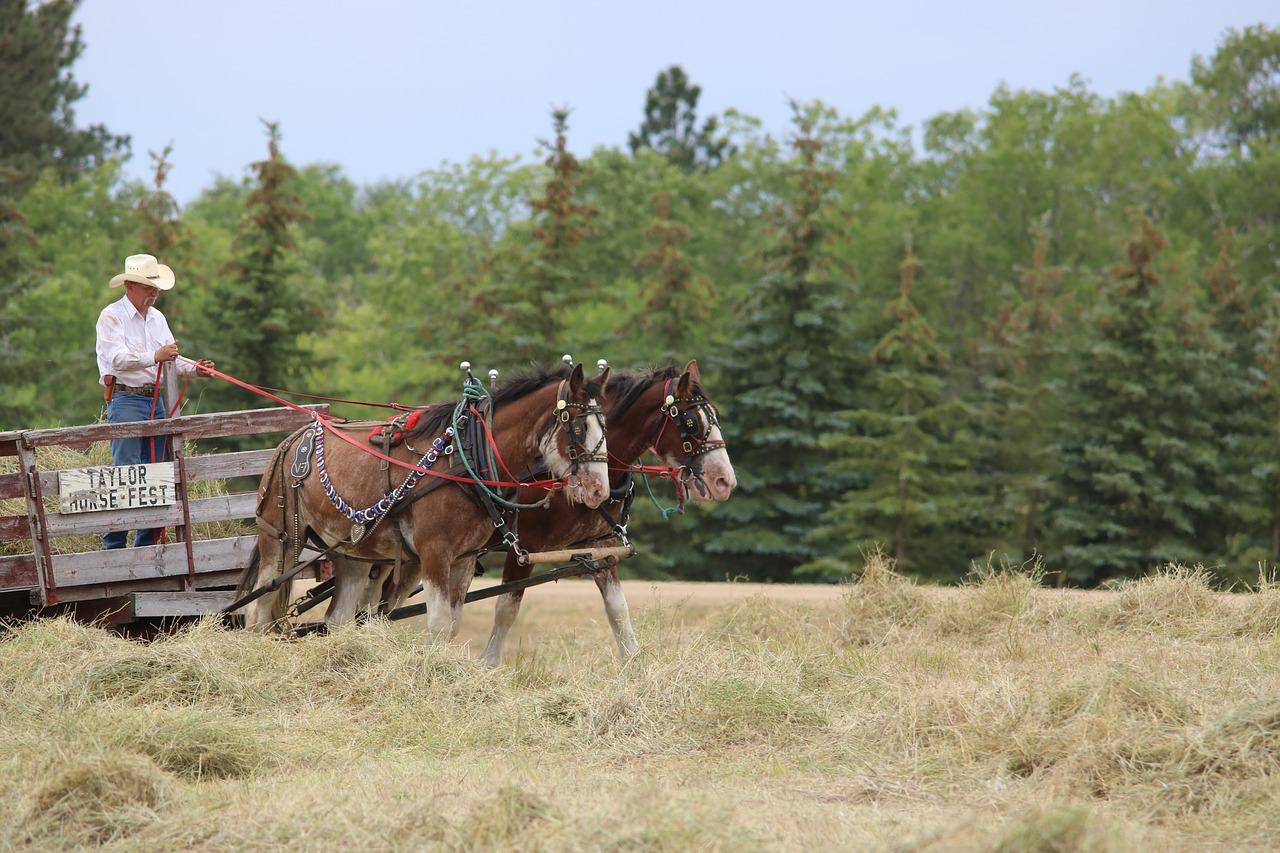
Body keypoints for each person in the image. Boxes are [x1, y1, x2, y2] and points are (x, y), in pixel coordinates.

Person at [95, 253, 215, 550]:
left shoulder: (157, 318)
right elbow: (117, 360)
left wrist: (195, 369)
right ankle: (114, 548)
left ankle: (147, 547)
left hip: (154, 402)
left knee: (157, 474)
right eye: (150, 286)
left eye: (156, 287)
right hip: (125, 399)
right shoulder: (111, 316)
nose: (155, 292)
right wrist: (155, 356)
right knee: (128, 474)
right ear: (131, 286)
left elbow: (171, 358)